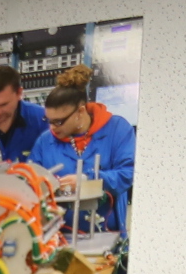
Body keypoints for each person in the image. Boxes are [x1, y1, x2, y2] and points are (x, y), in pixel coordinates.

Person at [33, 64, 136, 234]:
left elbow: (128, 174)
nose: (52, 127)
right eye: (49, 120)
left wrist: (89, 179)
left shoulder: (117, 130)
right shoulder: (45, 142)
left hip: (107, 236)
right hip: (59, 238)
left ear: (80, 112)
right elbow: (31, 182)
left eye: (59, 121)